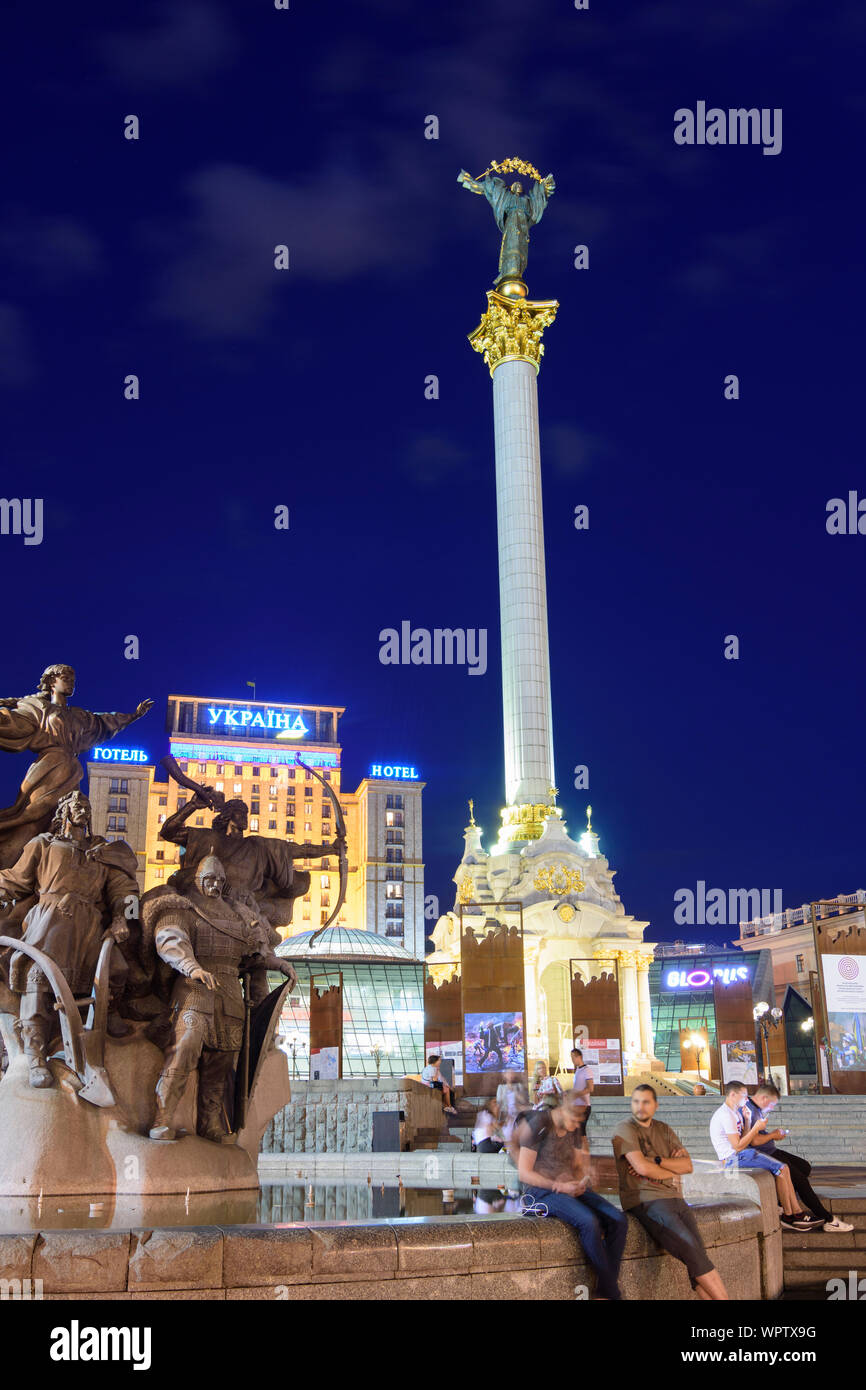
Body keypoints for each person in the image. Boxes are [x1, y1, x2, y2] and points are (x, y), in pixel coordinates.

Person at [142, 854, 295, 1143]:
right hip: (194, 988)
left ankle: (210, 1122)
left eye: (219, 881)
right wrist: (192, 967)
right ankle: (162, 1116)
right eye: (209, 879)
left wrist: (280, 965)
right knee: (185, 1048)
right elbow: (170, 939)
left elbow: (257, 954)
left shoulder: (238, 916)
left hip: (229, 995)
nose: (214, 884)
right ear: (199, 879)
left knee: (222, 1062)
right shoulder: (185, 908)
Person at [0, 791, 139, 1086]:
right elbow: (14, 880)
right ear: (63, 812)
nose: (83, 811)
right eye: (77, 806)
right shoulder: (44, 845)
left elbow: (126, 892)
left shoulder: (103, 851)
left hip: (89, 924)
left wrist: (120, 918)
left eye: (87, 807)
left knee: (114, 970)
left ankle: (106, 1016)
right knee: (38, 980)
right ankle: (36, 1057)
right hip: (49, 921)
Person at [0, 664, 152, 869]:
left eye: (73, 679)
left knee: (66, 823)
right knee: (33, 817)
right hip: (48, 767)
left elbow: (104, 723)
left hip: (71, 772)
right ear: (52, 682)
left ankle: (57, 868)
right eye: (66, 678)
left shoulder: (79, 715)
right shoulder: (37, 708)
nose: (71, 682)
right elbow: (13, 723)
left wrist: (133, 716)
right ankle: (11, 864)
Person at [612, 1084, 728, 1300]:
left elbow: (687, 1166)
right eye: (636, 1101)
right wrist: (668, 1168)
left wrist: (656, 1162)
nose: (640, 1106)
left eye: (646, 1101)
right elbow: (642, 1168)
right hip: (648, 1202)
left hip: (676, 1199)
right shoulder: (625, 1129)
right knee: (693, 1253)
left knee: (698, 1259)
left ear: (655, 1105)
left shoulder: (664, 1130)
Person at [517, 1096, 628, 1300]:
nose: (577, 1127)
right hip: (540, 1192)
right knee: (588, 1221)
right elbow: (524, 1173)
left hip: (568, 1188)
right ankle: (613, 1293)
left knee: (618, 1220)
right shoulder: (539, 1125)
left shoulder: (574, 1125)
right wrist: (557, 1185)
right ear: (562, 1110)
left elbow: (578, 1166)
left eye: (580, 1122)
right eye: (574, 1121)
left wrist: (584, 1176)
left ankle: (605, 1291)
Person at [709, 1082, 820, 1231]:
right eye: (743, 1095)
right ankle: (789, 1215)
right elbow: (737, 1146)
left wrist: (748, 1122)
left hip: (743, 1154)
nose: (746, 1099)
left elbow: (744, 1137)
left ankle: (797, 1214)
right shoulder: (725, 1115)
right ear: (733, 1095)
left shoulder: (735, 1113)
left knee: (784, 1168)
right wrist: (756, 1128)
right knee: (781, 1169)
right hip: (733, 1159)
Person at [745, 1081, 852, 1233]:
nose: (772, 1108)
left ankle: (781, 1200)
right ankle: (828, 1219)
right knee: (801, 1180)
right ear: (764, 1098)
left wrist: (772, 1136)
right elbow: (754, 1141)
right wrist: (773, 1135)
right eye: (772, 1104)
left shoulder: (754, 1108)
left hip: (770, 1150)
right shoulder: (750, 1110)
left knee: (804, 1167)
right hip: (764, 1154)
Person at [570, 1047, 594, 1133]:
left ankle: (584, 1146)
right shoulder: (578, 1070)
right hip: (576, 1106)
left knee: (581, 1133)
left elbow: (590, 1088)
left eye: (573, 1057)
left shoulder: (586, 1070)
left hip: (583, 1106)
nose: (572, 1060)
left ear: (579, 1057)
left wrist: (577, 1094)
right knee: (578, 1133)